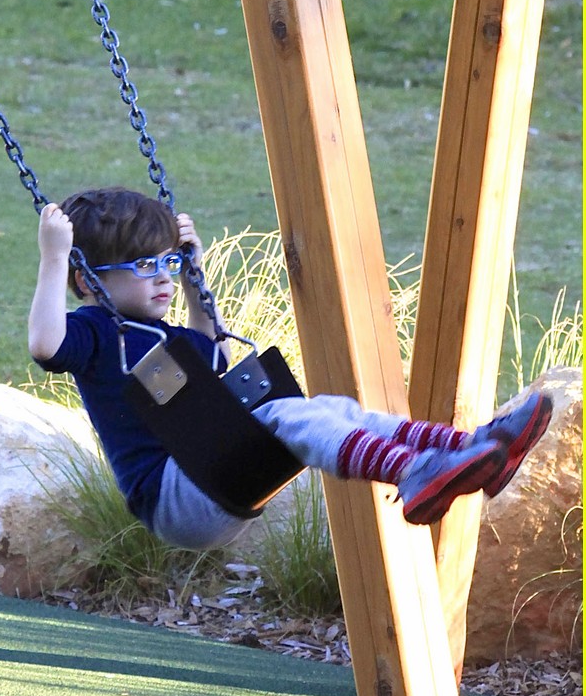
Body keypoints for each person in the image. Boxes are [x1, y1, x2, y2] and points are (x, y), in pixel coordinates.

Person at [29, 188, 552, 550]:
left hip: (215, 480)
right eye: (145, 267)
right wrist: (55, 258)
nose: (162, 278)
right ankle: (413, 473)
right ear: (88, 280)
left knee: (332, 409)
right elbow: (45, 345)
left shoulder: (168, 334)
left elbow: (213, 357)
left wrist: (194, 275)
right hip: (174, 499)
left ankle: (468, 449)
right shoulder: (97, 334)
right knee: (285, 413)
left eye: (168, 262)